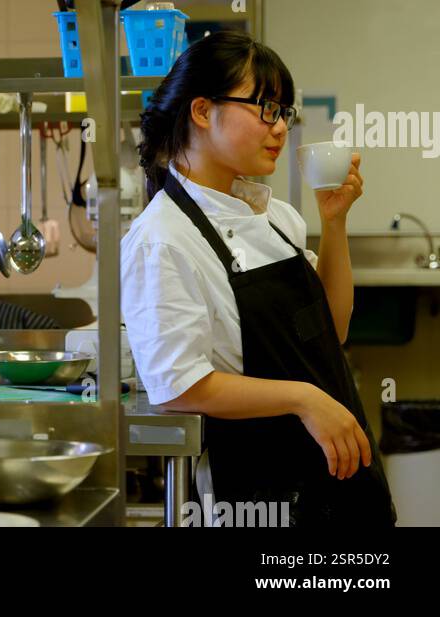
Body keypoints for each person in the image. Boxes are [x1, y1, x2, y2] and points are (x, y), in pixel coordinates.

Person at [121, 31, 395, 526]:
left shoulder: (276, 217)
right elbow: (178, 386)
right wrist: (303, 398)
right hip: (256, 494)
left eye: (284, 112)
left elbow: (331, 332)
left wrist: (334, 223)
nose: (280, 128)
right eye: (266, 108)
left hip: (333, 478)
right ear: (202, 111)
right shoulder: (161, 239)